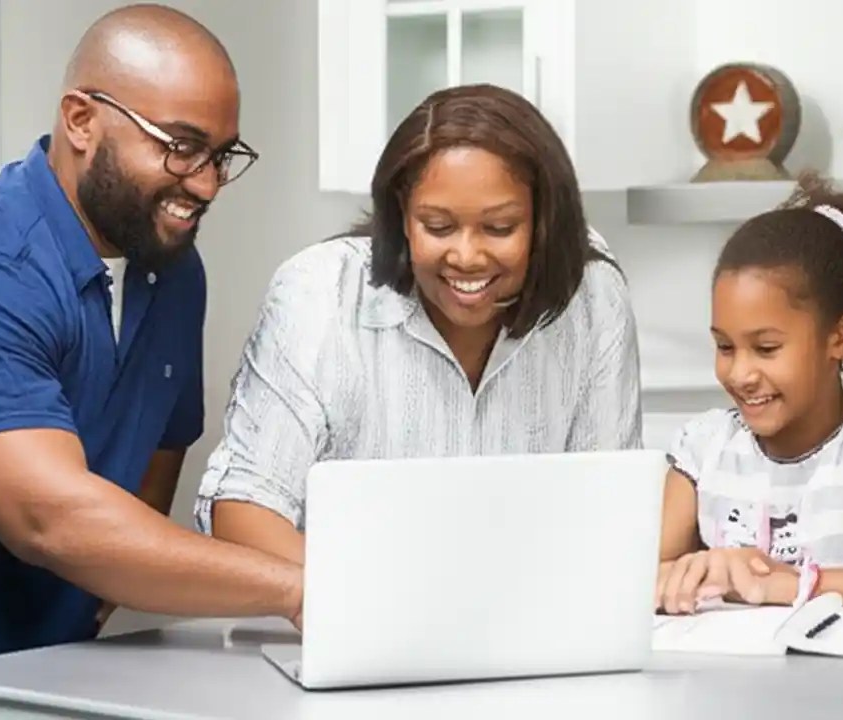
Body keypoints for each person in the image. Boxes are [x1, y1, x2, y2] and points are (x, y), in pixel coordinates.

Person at [0, 6, 302, 717]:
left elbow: (159, 448)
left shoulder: (173, 272)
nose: (208, 184)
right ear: (81, 120)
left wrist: (107, 582)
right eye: (180, 147)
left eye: (222, 155)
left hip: (60, 689)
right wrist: (300, 586)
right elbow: (53, 521)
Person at [194, 84, 642, 562]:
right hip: (338, 619)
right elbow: (242, 508)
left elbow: (611, 511)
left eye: (500, 228)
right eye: (438, 226)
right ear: (401, 216)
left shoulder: (593, 297)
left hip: (531, 621)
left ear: (543, 224)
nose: (466, 256)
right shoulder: (319, 292)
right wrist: (372, 597)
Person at [655, 173, 843, 616]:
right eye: (725, 347)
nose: (741, 373)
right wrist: (686, 574)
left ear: (841, 337)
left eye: (766, 348)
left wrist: (792, 585)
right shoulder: (702, 449)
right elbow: (640, 574)